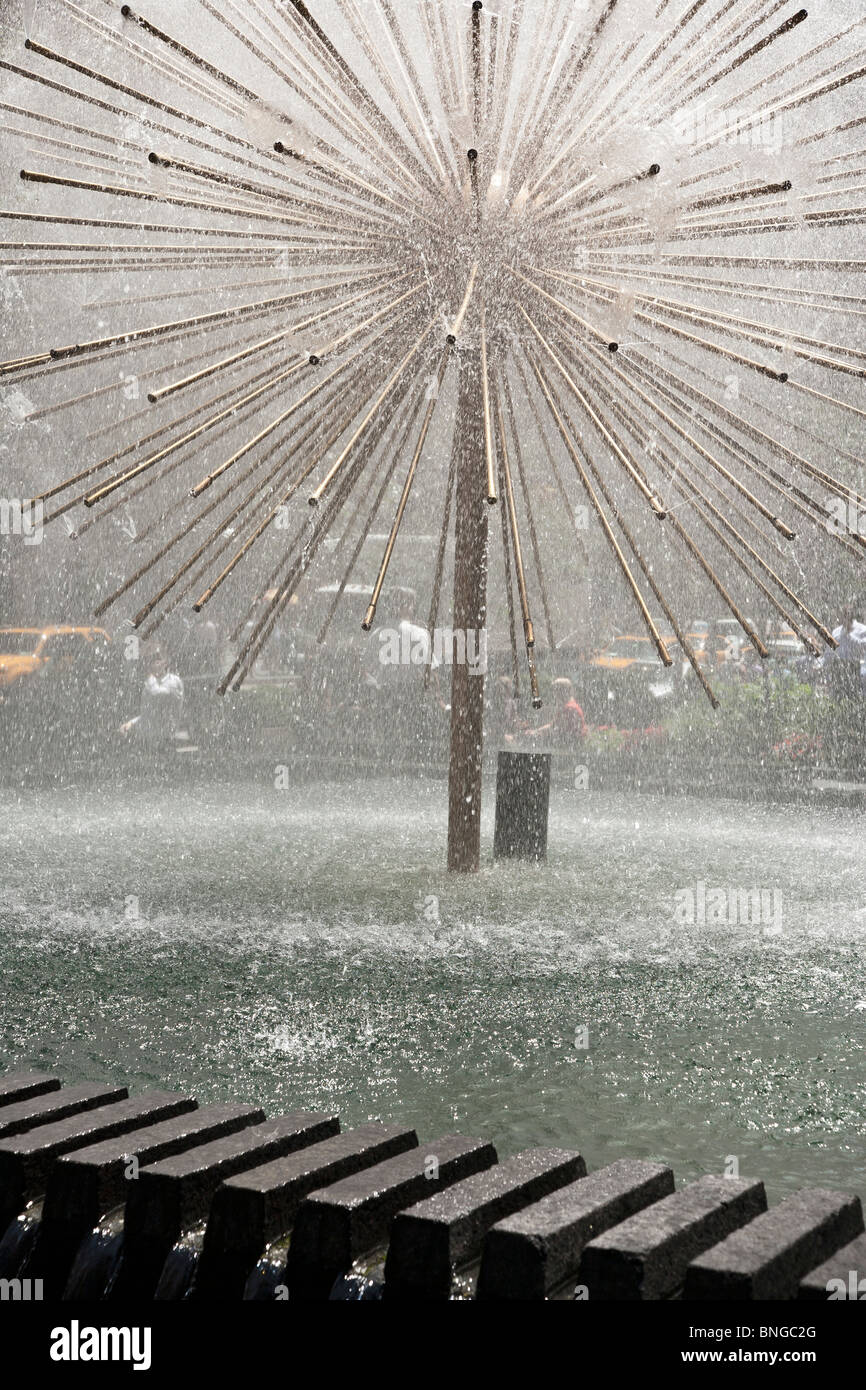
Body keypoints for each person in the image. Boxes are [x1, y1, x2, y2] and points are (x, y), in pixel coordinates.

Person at [120, 650, 184, 749]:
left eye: (158, 659)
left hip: (165, 739)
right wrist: (132, 723)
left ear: (166, 662)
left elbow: (157, 696)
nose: (155, 663)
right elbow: (149, 714)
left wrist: (150, 677)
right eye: (152, 660)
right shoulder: (151, 682)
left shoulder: (174, 681)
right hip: (148, 739)